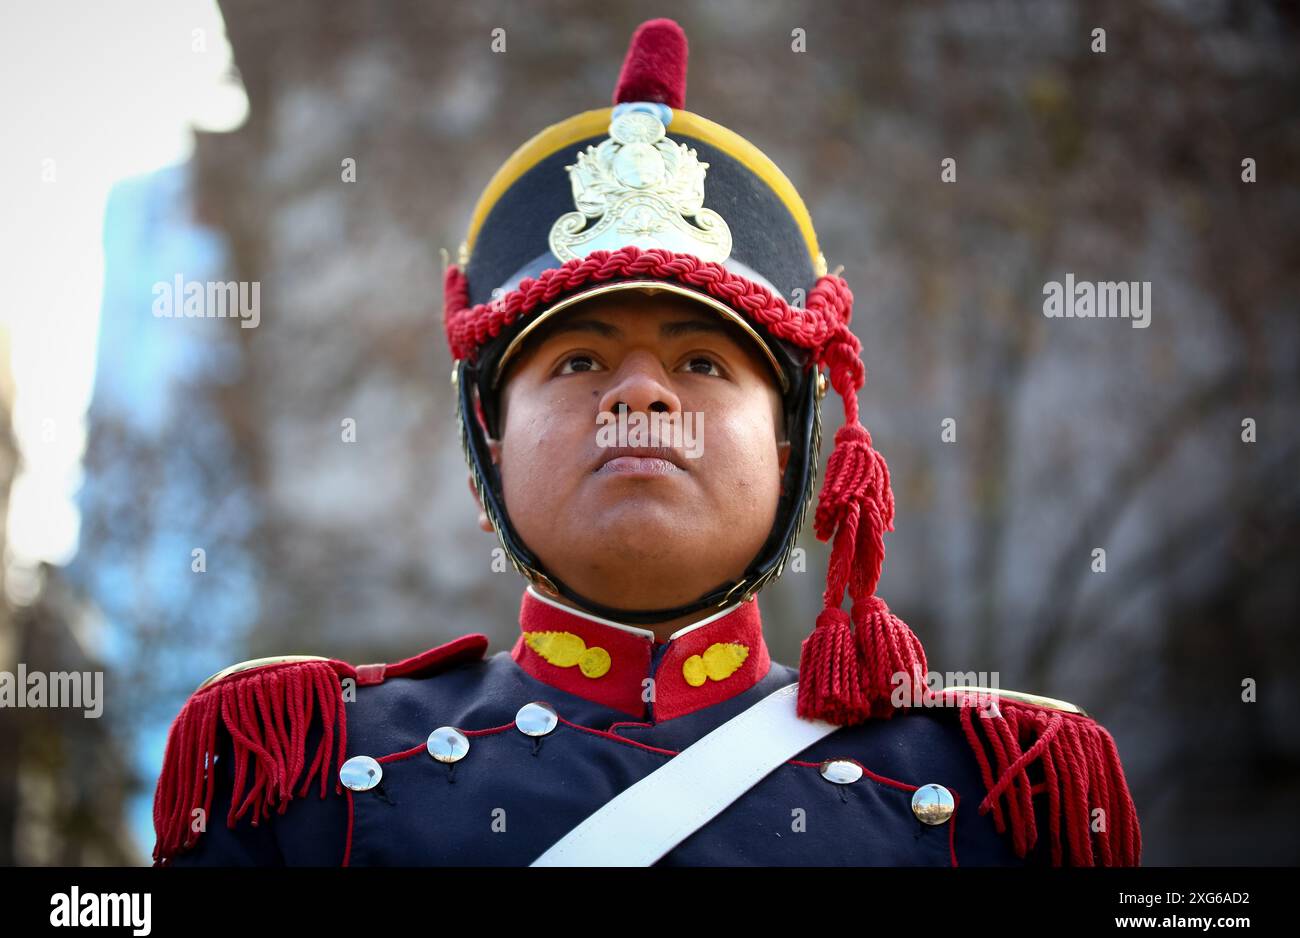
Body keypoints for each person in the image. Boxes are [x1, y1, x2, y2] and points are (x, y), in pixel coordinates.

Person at [153, 17, 1140, 867]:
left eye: (705, 364)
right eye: (578, 360)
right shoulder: (295, 772)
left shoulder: (1003, 792)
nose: (639, 392)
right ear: (484, 451)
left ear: (794, 452)